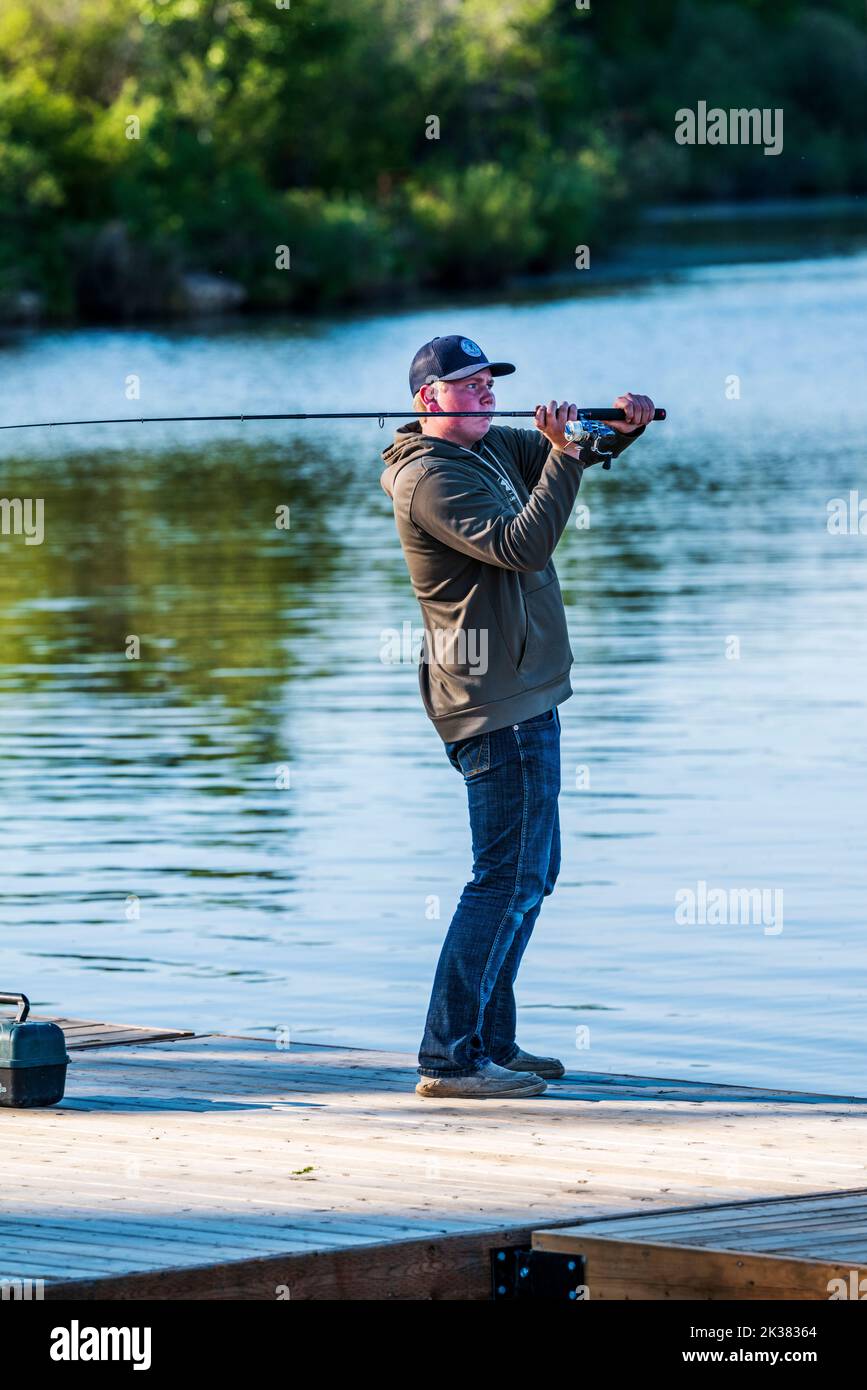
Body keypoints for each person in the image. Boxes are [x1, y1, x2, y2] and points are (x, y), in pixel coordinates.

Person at [380, 335, 654, 1099]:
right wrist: (566, 454)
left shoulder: (485, 447)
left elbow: (556, 458)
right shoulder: (430, 479)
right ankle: (449, 1060)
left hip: (525, 693)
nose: (484, 394)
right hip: (493, 704)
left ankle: (488, 1042)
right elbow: (522, 544)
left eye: (489, 381)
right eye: (466, 386)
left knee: (531, 876)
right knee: (501, 879)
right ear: (428, 400)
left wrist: (612, 432)